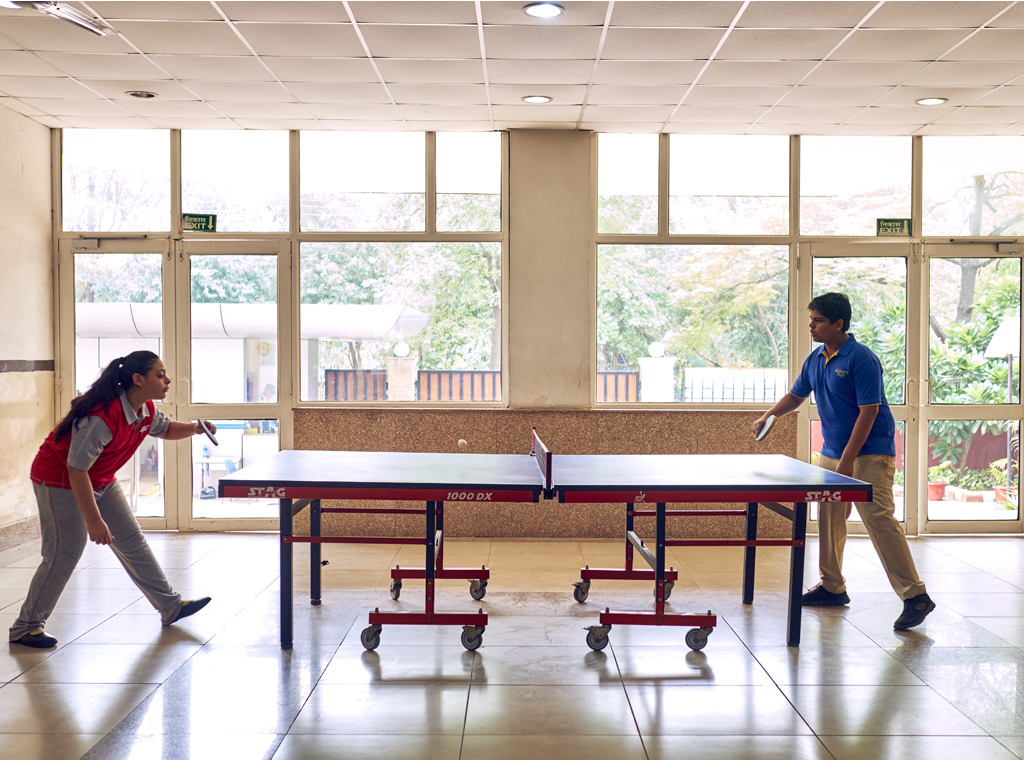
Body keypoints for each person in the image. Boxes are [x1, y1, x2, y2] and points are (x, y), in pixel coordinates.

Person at [753, 293, 935, 631]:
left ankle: (915, 596)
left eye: (818, 320)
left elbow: (870, 412)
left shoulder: (861, 358)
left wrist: (848, 461)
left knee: (879, 520)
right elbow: (796, 395)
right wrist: (768, 415)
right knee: (829, 518)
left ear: (839, 324)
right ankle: (832, 587)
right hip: (833, 453)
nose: (812, 325)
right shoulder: (817, 358)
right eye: (811, 319)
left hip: (870, 454)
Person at [10, 351, 214, 648]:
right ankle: (25, 626)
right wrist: (94, 521)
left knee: (132, 539)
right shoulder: (102, 418)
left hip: (100, 478)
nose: (167, 380)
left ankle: (170, 607)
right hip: (59, 479)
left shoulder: (145, 409)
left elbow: (166, 428)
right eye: (160, 374)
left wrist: (195, 428)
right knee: (65, 552)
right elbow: (75, 468)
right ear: (138, 379)